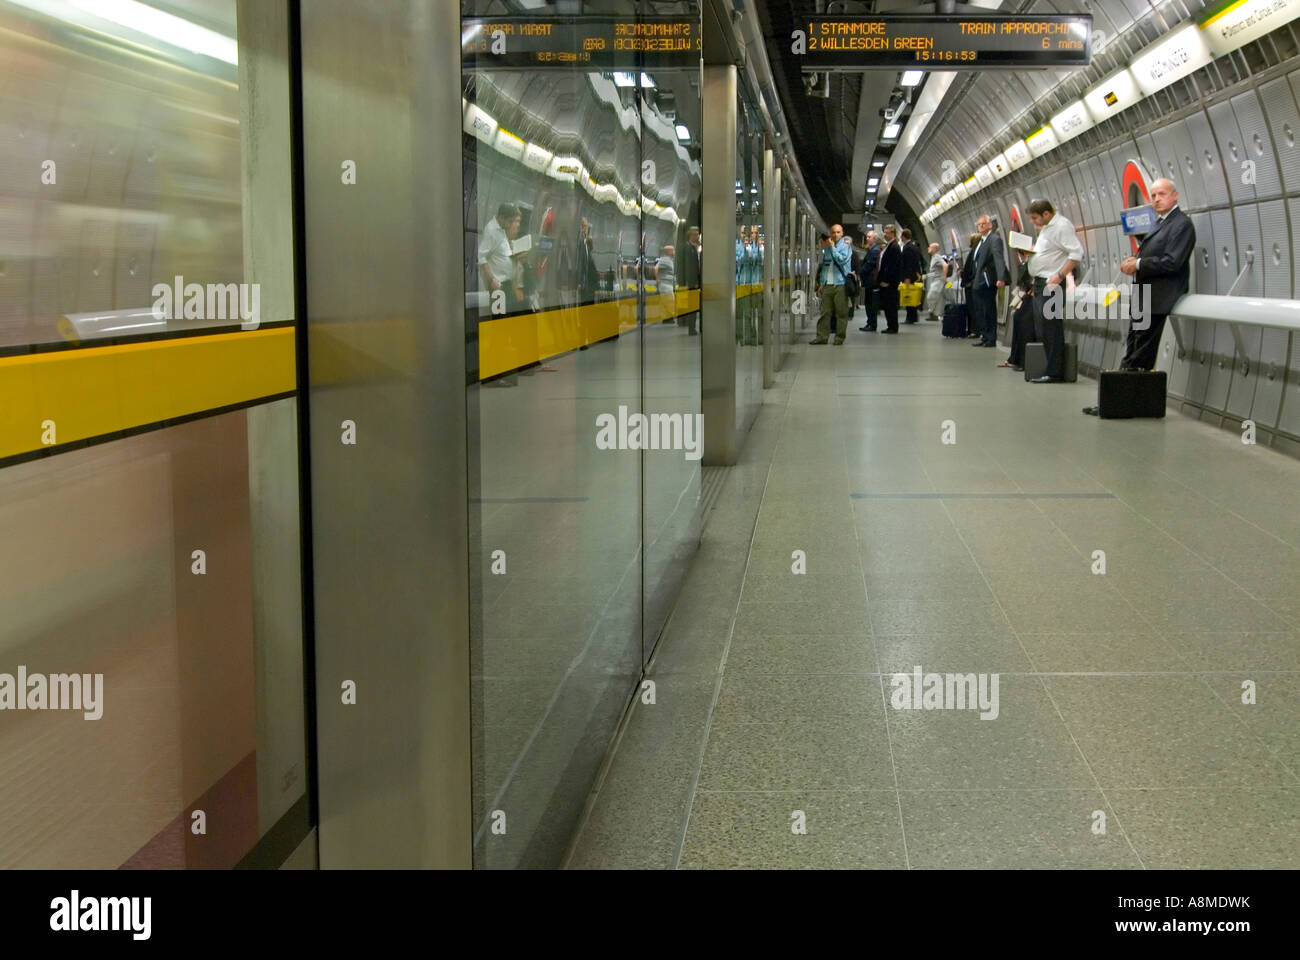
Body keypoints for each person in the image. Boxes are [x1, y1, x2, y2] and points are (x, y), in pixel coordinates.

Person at [1119, 178, 1194, 370]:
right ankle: (1118, 397)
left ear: (1175, 196)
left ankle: (1129, 397)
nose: (1156, 199)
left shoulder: (1181, 224)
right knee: (1132, 347)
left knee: (1141, 355)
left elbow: (1173, 262)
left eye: (1162, 194)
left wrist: (1139, 263)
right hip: (1144, 298)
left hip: (1158, 298)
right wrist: (1134, 260)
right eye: (1153, 195)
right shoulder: (1159, 223)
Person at [1025, 198, 1085, 382]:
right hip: (1041, 282)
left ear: (1046, 213)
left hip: (1052, 283)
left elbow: (1076, 253)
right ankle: (1050, 368)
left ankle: (1054, 372)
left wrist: (1059, 275)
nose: (1033, 222)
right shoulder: (1048, 228)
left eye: (1035, 218)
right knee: (1043, 326)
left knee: (1051, 327)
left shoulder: (1061, 226)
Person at [968, 214, 1007, 348]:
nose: (981, 226)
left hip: (986, 281)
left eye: (983, 224)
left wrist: (1001, 277)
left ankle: (991, 337)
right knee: (979, 309)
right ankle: (984, 335)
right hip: (977, 281)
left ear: (990, 225)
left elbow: (998, 259)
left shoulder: (994, 240)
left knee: (988, 309)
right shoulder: (981, 241)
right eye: (979, 224)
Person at [812, 223, 851, 345]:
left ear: (842, 233)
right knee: (824, 312)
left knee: (841, 313)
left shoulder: (846, 247)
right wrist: (822, 284)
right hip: (828, 284)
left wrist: (833, 247)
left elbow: (841, 260)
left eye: (838, 232)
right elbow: (825, 266)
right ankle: (822, 337)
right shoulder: (827, 248)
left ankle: (839, 338)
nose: (835, 234)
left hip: (841, 284)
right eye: (833, 232)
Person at [876, 225, 902, 334]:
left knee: (890, 305)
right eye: (884, 232)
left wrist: (886, 280)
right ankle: (890, 325)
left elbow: (892, 266)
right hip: (888, 281)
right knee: (887, 305)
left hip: (890, 283)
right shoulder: (890, 246)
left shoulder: (894, 247)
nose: (885, 235)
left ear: (893, 233)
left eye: (887, 233)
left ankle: (892, 326)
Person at [859, 229, 883, 331]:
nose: (867, 238)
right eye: (867, 236)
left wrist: (861, 272)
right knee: (869, 303)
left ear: (874, 239)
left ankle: (872, 324)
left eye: (869, 237)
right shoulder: (872, 249)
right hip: (870, 281)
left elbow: (869, 264)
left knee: (871, 304)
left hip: (871, 281)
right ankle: (870, 323)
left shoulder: (875, 250)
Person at [680, 225, 701, 335]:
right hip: (691, 282)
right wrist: (685, 281)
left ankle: (696, 327)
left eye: (698, 234)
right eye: (695, 234)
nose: (697, 236)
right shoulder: (687, 248)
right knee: (692, 305)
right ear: (690, 235)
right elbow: (684, 265)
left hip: (697, 281)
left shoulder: (697, 247)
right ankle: (691, 328)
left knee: (697, 304)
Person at [900, 229, 924, 324]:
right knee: (912, 296)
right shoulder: (913, 247)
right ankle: (913, 316)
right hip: (914, 276)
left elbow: (909, 264)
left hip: (909, 277)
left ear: (903, 237)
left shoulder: (908, 248)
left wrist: (907, 277)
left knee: (908, 296)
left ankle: (910, 317)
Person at [924, 241, 948, 322]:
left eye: (930, 247)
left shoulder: (937, 257)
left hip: (939, 281)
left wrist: (944, 276)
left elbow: (945, 265)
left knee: (931, 296)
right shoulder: (933, 257)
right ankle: (934, 314)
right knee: (937, 298)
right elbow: (935, 271)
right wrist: (927, 276)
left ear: (935, 249)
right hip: (935, 280)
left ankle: (934, 313)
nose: (928, 248)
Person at [654, 243, 675, 323]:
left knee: (665, 301)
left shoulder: (669, 259)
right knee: (670, 301)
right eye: (673, 250)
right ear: (669, 251)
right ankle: (668, 318)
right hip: (665, 284)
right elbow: (656, 268)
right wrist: (657, 279)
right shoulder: (665, 259)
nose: (674, 252)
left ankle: (666, 318)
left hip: (667, 284)